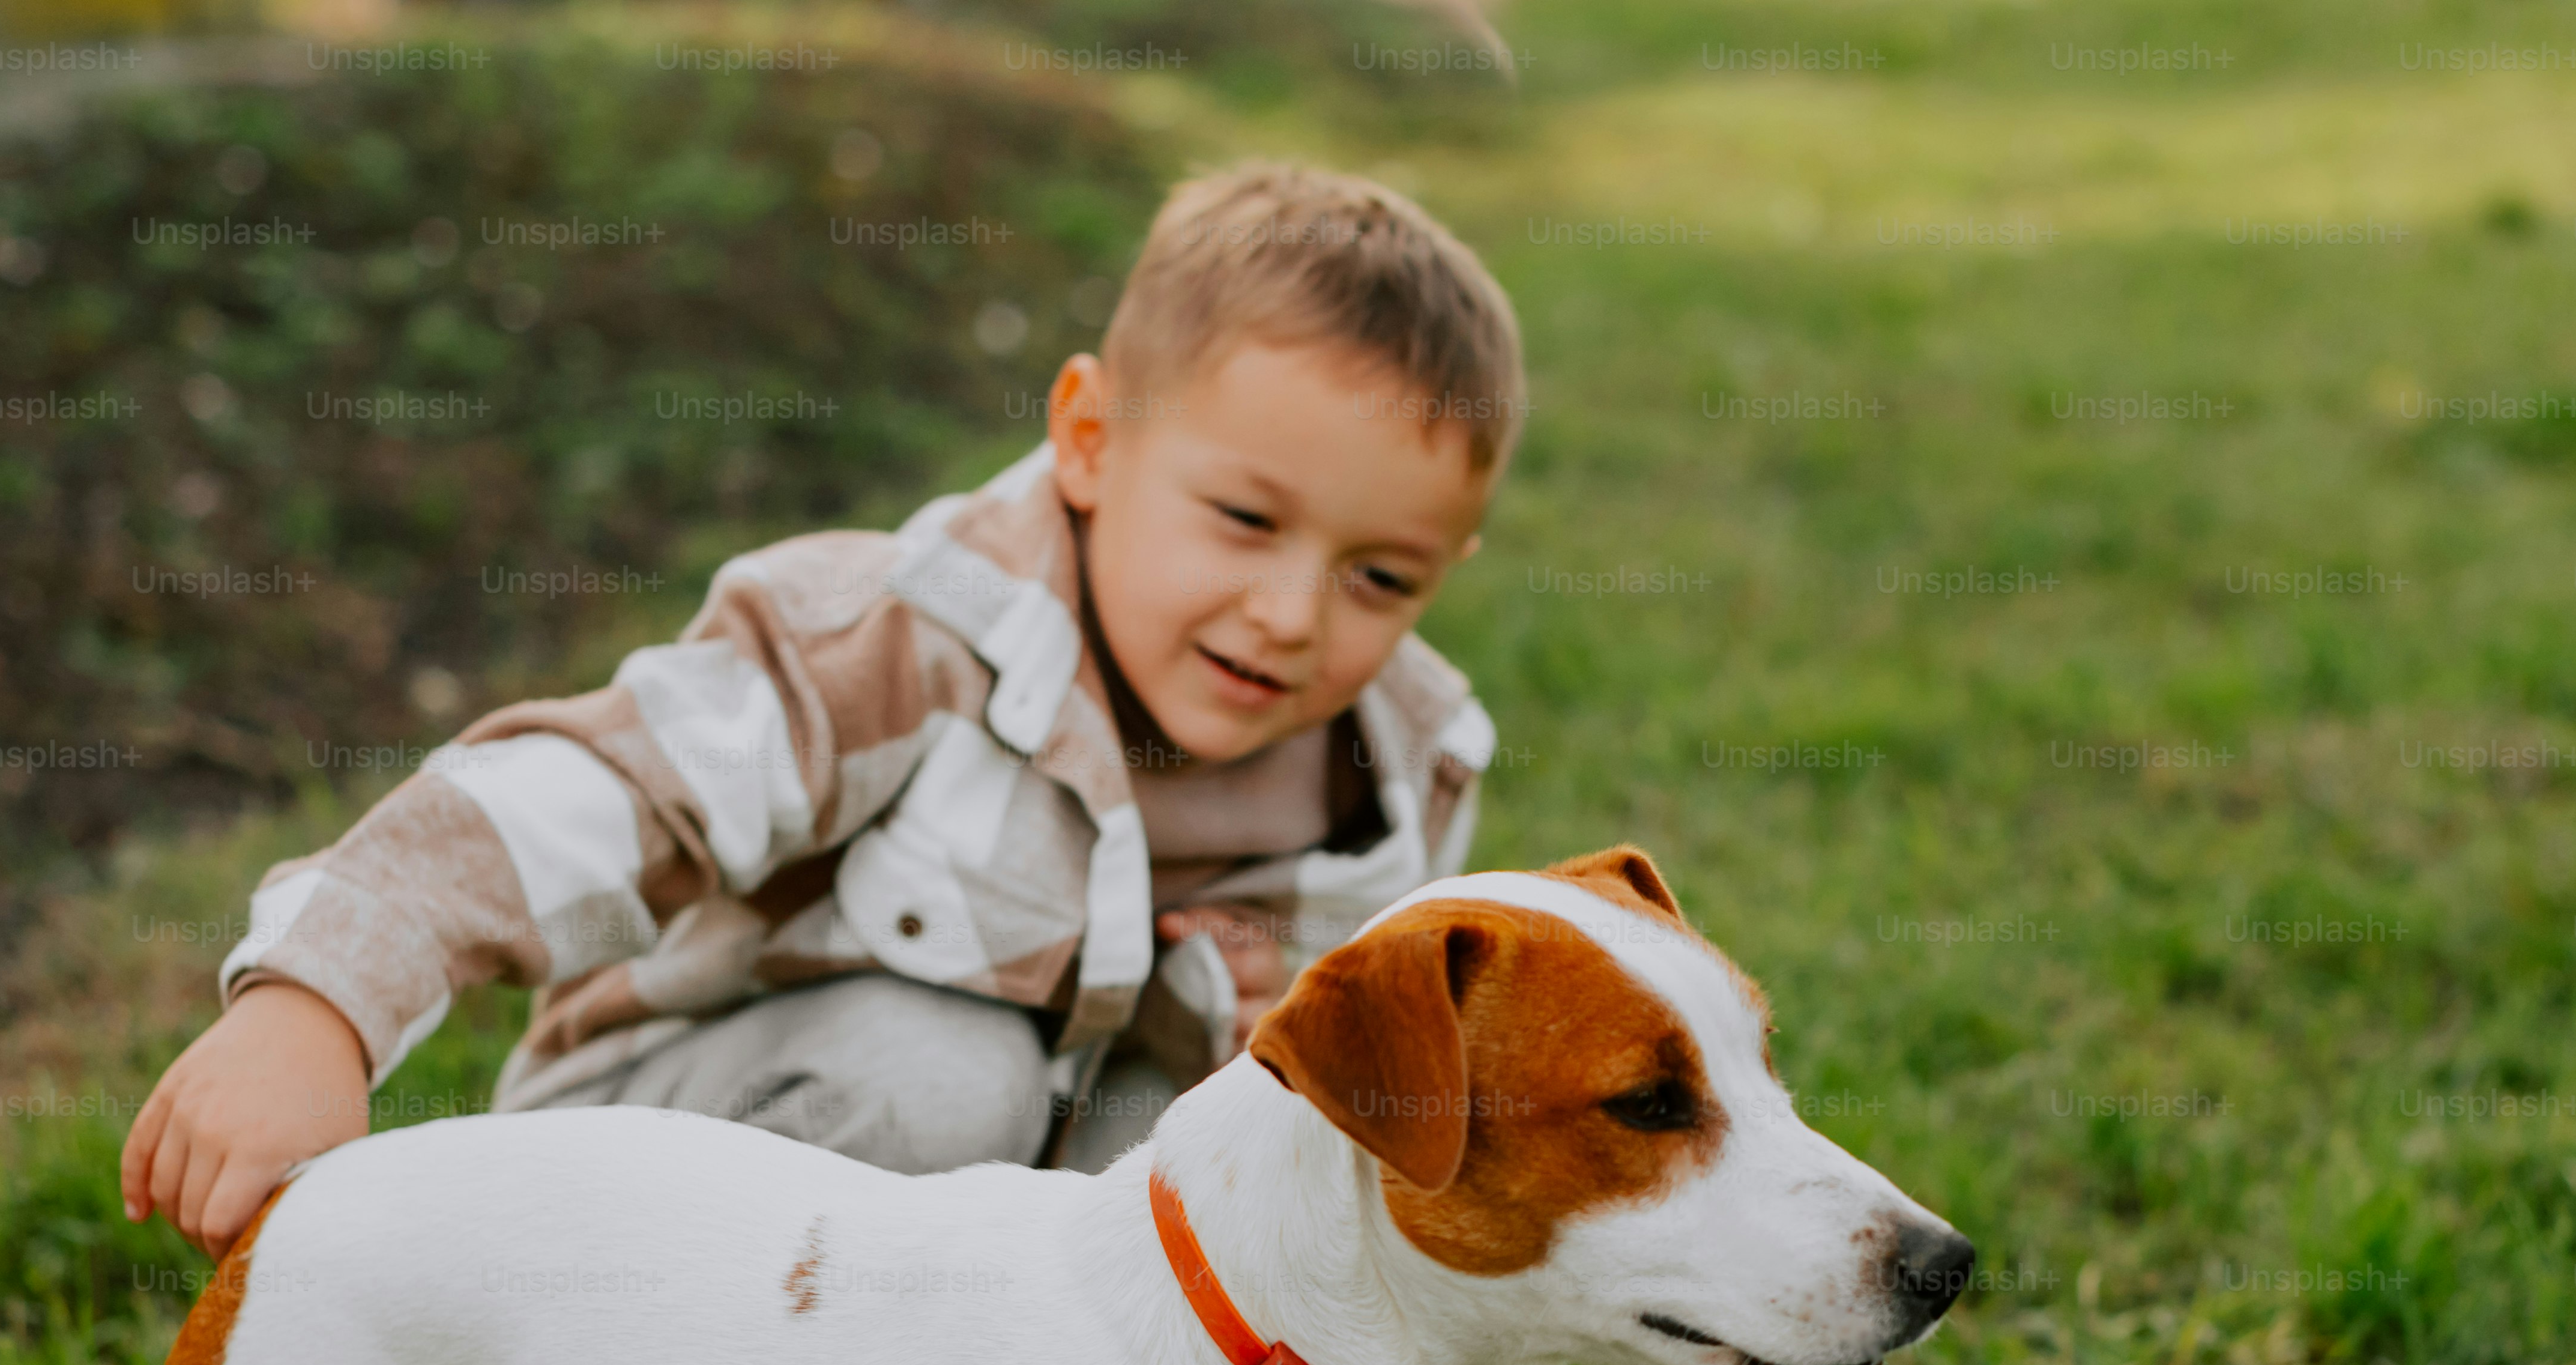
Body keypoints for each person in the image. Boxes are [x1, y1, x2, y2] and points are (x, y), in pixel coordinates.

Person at [122, 160, 1526, 1255]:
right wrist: (320, 1003)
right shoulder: (892, 641)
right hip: (656, 1177)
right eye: (1240, 518)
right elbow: (600, 797)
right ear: (1089, 441)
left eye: (1377, 575)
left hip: (962, 1251)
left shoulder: (1393, 770)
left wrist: (1277, 1033)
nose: (1291, 613)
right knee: (941, 1073)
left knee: (1215, 1149)